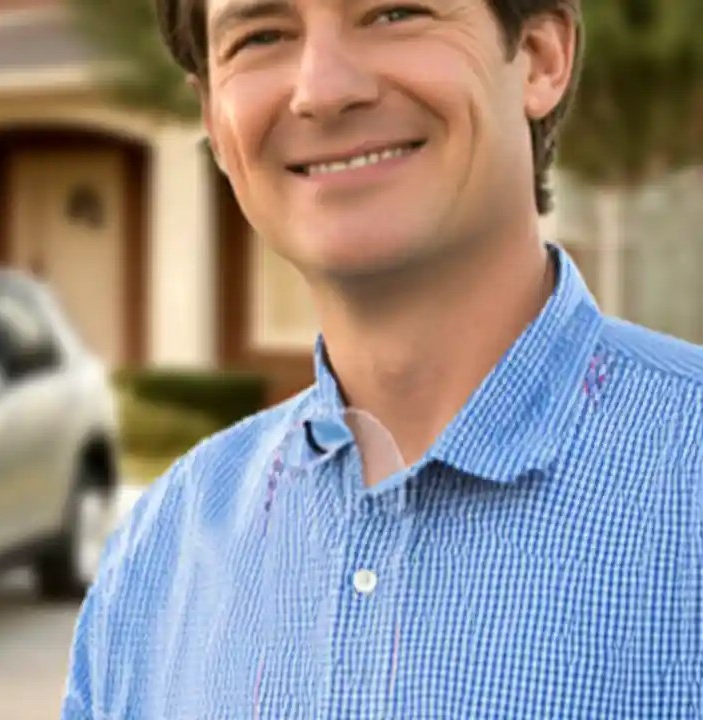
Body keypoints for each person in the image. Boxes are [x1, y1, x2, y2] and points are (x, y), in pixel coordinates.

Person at [62, 0, 703, 717]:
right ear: (213, 118)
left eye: (396, 12)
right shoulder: (156, 560)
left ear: (541, 56)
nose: (323, 89)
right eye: (262, 36)